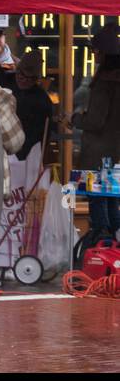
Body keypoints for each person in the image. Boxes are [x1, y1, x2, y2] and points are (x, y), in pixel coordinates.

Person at [75, 24, 120, 241]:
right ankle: (113, 251)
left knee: (99, 205)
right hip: (115, 154)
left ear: (102, 52)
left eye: (95, 51)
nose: (94, 55)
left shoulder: (105, 82)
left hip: (98, 155)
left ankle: (102, 248)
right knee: (112, 201)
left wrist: (74, 119)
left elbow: (96, 121)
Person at [11, 52, 54, 162]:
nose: (24, 80)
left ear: (36, 80)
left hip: (30, 157)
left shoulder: (42, 101)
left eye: (29, 78)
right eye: (21, 75)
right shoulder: (7, 88)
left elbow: (41, 136)